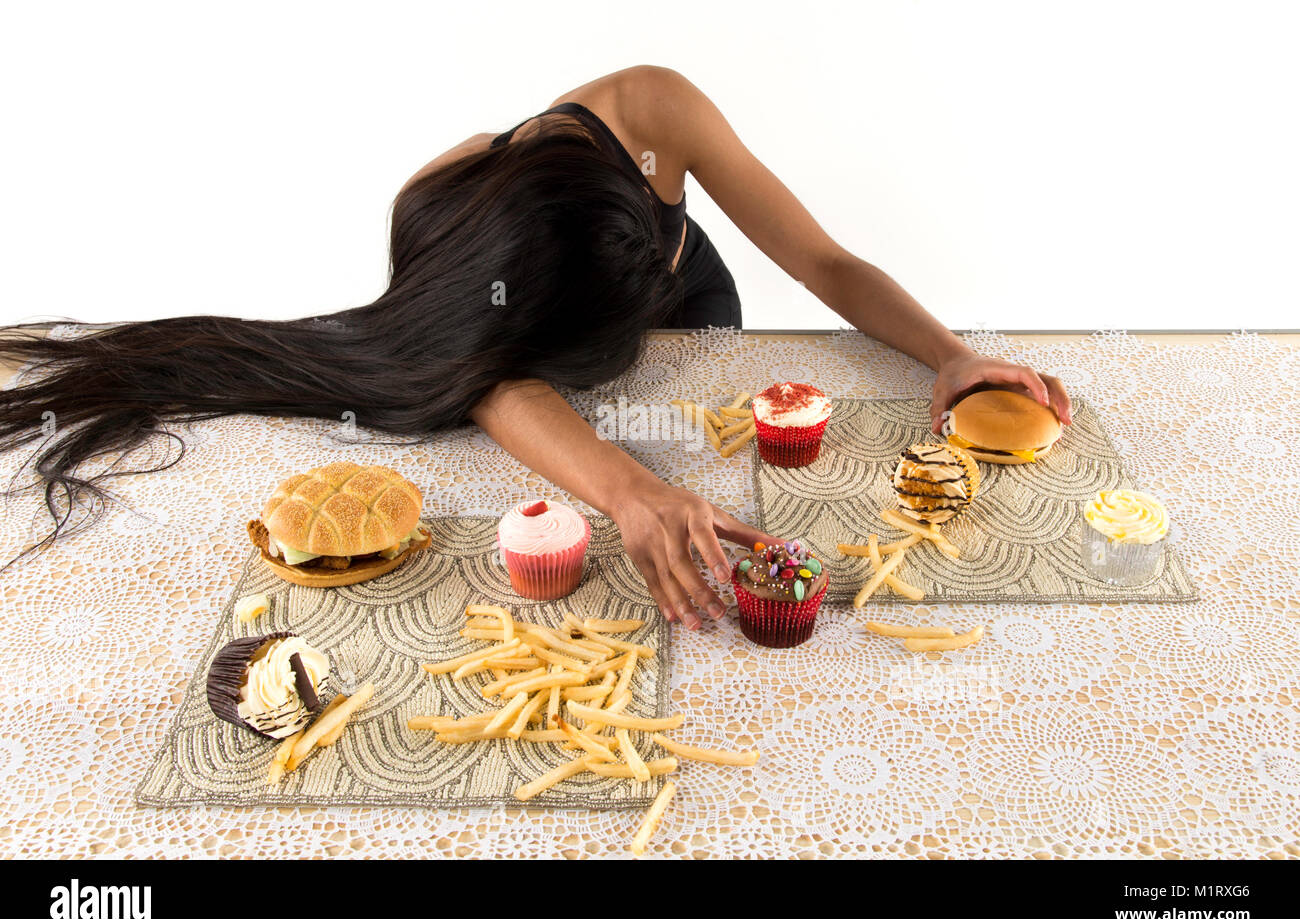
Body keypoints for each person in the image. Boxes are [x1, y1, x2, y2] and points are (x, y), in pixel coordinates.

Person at [0, 65, 1072, 629]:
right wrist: (631, 495)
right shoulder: (436, 211)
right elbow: (493, 380)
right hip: (558, 372)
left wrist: (946, 353)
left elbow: (825, 265)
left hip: (706, 337)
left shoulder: (656, 107)